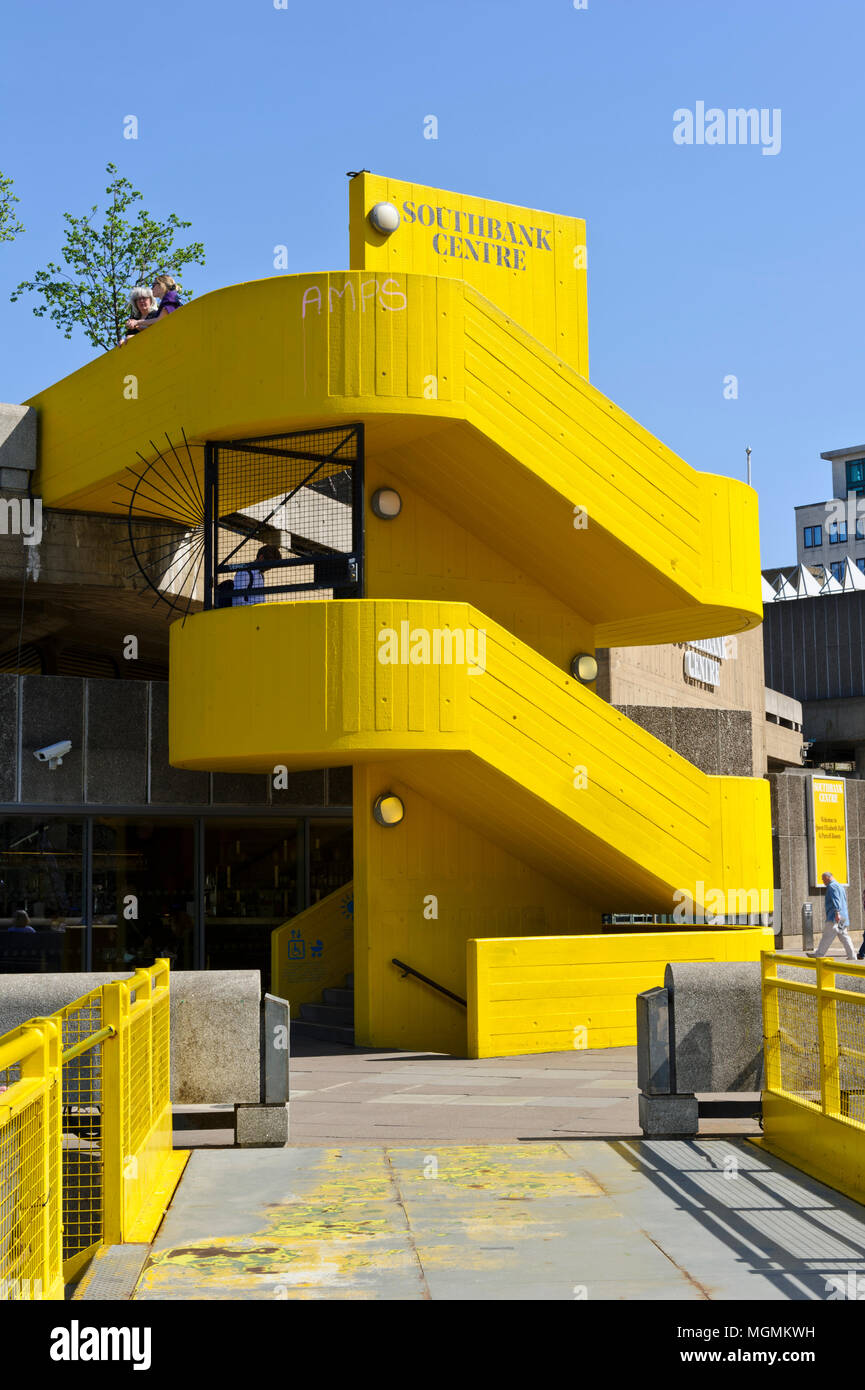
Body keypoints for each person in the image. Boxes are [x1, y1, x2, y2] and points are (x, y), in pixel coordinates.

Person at [809, 871, 856, 960]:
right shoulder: (840, 886)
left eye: (823, 879)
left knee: (827, 935)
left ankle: (819, 954)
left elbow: (836, 899)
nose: (823, 882)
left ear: (828, 878)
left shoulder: (831, 886)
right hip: (842, 917)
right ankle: (852, 955)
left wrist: (837, 912)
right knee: (844, 935)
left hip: (834, 917)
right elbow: (844, 901)